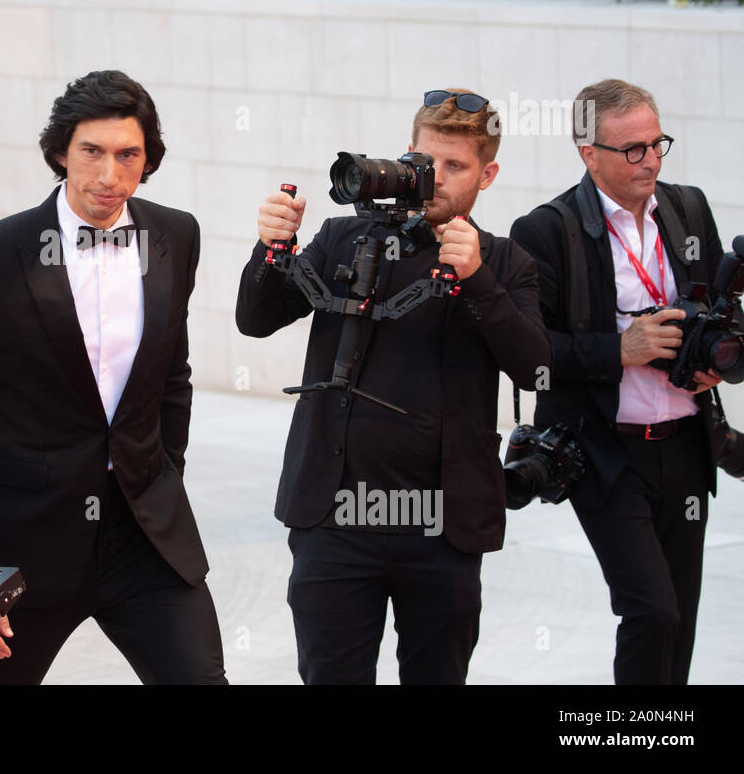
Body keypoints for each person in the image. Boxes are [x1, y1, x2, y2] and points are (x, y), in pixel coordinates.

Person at [0, 69, 226, 685]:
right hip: (24, 549)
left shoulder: (175, 235)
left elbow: (173, 378)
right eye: (92, 151)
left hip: (144, 538)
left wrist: (162, 476)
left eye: (128, 155)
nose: (110, 175)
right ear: (61, 151)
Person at [236, 89, 550, 684]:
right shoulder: (340, 236)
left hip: (443, 528)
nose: (433, 179)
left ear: (489, 174)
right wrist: (271, 248)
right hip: (334, 519)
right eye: (424, 161)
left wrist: (478, 280)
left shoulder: (507, 263)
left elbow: (536, 368)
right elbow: (255, 320)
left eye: (455, 167)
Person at [509, 79, 726, 685]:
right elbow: (530, 354)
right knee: (650, 610)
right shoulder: (545, 231)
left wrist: (713, 356)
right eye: (633, 149)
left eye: (658, 144)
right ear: (589, 154)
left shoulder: (689, 207)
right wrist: (620, 350)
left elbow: (717, 312)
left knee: (679, 618)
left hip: (685, 442)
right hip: (606, 453)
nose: (651, 160)